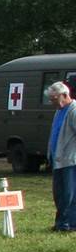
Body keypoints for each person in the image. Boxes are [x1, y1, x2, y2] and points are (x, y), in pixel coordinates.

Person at [50, 82, 76, 232]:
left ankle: (70, 224)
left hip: (70, 160)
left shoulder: (73, 110)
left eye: (54, 98)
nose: (51, 102)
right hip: (58, 160)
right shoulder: (59, 111)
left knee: (69, 194)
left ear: (64, 95)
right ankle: (60, 223)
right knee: (59, 194)